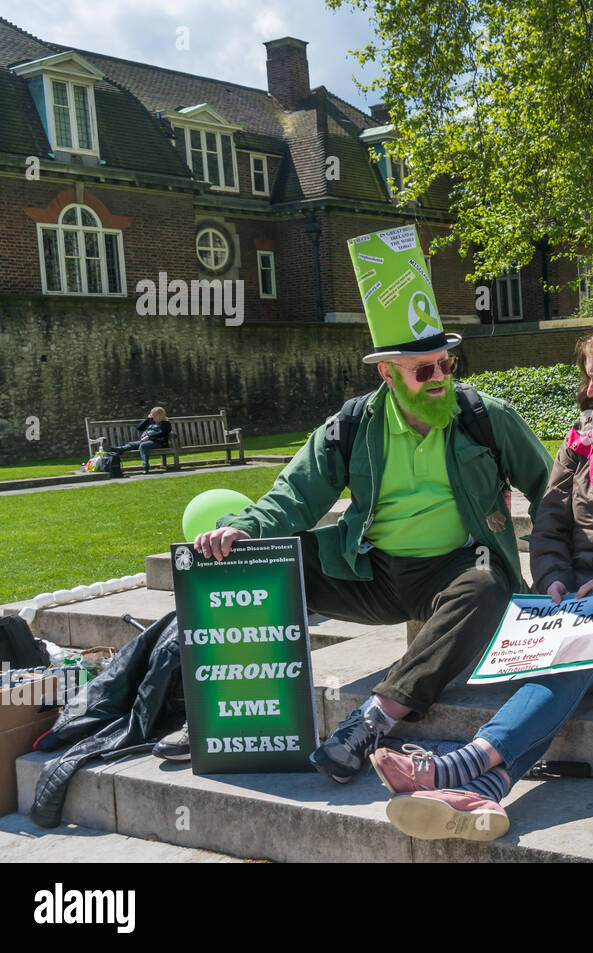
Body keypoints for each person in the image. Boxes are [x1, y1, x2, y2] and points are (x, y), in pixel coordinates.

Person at [173, 227, 554, 780]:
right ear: (386, 372)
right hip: (370, 571)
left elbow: (549, 488)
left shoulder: (483, 417)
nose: (440, 378)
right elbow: (294, 496)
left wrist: (555, 565)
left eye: (447, 364)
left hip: (454, 570)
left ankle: (370, 722)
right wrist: (243, 530)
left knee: (490, 586)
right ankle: (207, 712)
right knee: (248, 561)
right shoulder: (353, 425)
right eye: (423, 370)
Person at [372, 321, 593, 840]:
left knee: (576, 647)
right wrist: (554, 578)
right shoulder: (585, 432)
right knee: (565, 648)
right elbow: (551, 519)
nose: (587, 390)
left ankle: (455, 766)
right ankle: (488, 791)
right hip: (583, 591)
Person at [110, 406, 171, 474]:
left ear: (159, 416)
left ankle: (145, 466)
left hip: (159, 443)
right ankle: (119, 449)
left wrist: (148, 437)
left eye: (153, 416)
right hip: (147, 442)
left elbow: (162, 433)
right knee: (131, 444)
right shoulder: (151, 422)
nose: (152, 417)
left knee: (143, 445)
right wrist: (148, 419)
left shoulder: (165, 424)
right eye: (151, 416)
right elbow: (139, 428)